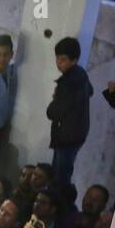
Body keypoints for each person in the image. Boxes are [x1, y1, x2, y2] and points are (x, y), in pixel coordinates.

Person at [45, 37, 93, 187]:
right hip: (76, 134)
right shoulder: (81, 74)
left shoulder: (69, 83)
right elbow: (90, 91)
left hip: (67, 137)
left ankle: (57, 206)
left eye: (63, 59)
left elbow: (53, 113)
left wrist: (55, 98)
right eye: (58, 59)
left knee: (60, 179)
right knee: (62, 173)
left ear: (74, 60)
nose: (59, 63)